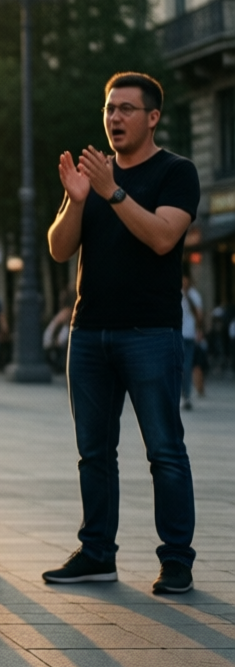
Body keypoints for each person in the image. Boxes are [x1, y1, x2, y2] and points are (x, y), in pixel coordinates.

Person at [44, 72, 200, 596]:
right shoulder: (94, 178)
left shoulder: (177, 172)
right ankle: (97, 554)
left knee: (164, 450)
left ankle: (176, 559)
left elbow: (161, 237)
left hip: (150, 333)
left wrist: (111, 193)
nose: (115, 118)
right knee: (94, 452)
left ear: (153, 117)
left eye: (127, 109)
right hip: (89, 333)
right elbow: (59, 249)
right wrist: (76, 199)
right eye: (110, 109)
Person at [179, 275, 204, 409]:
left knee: (185, 366)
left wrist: (199, 330)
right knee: (183, 366)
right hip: (179, 333)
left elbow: (199, 315)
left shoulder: (193, 295)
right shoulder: (179, 293)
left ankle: (186, 395)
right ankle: (184, 395)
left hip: (187, 334)